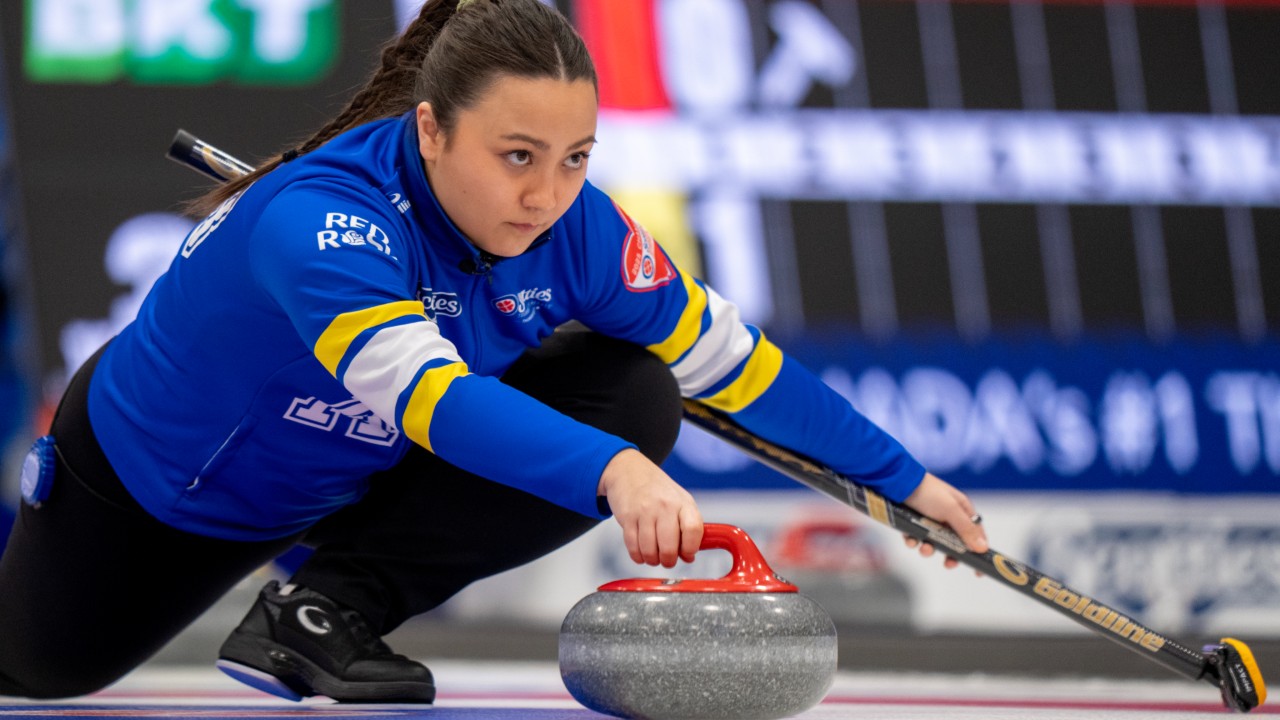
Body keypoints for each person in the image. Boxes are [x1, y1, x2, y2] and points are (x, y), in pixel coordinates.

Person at [0, 0, 988, 703]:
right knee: (36, 674)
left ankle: (320, 613)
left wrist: (904, 480)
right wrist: (615, 476)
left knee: (631, 392)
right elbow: (431, 400)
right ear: (429, 129)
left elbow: (736, 366)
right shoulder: (319, 223)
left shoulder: (580, 233)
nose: (545, 194)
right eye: (516, 156)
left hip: (338, 484)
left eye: (573, 159)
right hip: (159, 493)